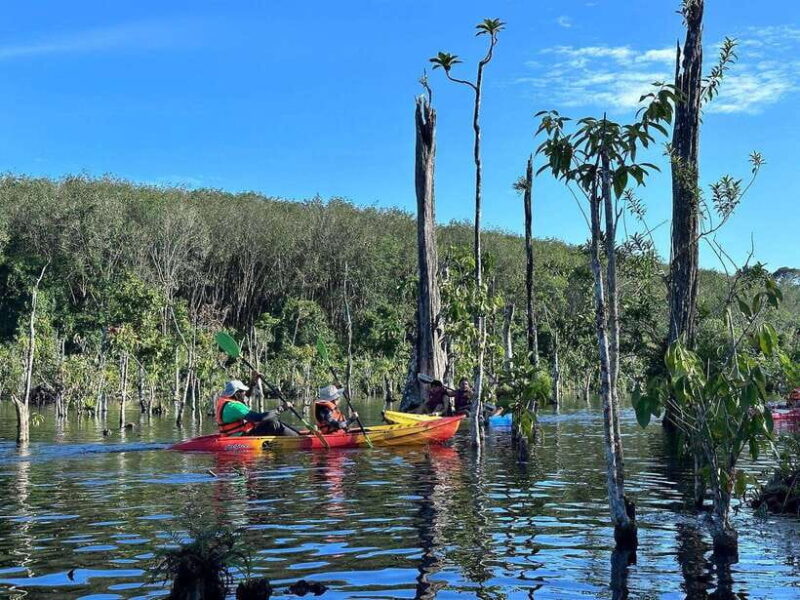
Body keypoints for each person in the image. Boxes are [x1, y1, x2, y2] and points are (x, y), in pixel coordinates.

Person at [215, 376, 299, 437]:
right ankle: (297, 438)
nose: (245, 393)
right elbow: (259, 418)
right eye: (243, 391)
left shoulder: (227, 403)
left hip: (233, 435)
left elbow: (245, 397)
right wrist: (281, 408)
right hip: (241, 438)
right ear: (236, 394)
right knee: (273, 423)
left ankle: (296, 434)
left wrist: (253, 383)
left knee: (272, 420)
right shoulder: (234, 406)